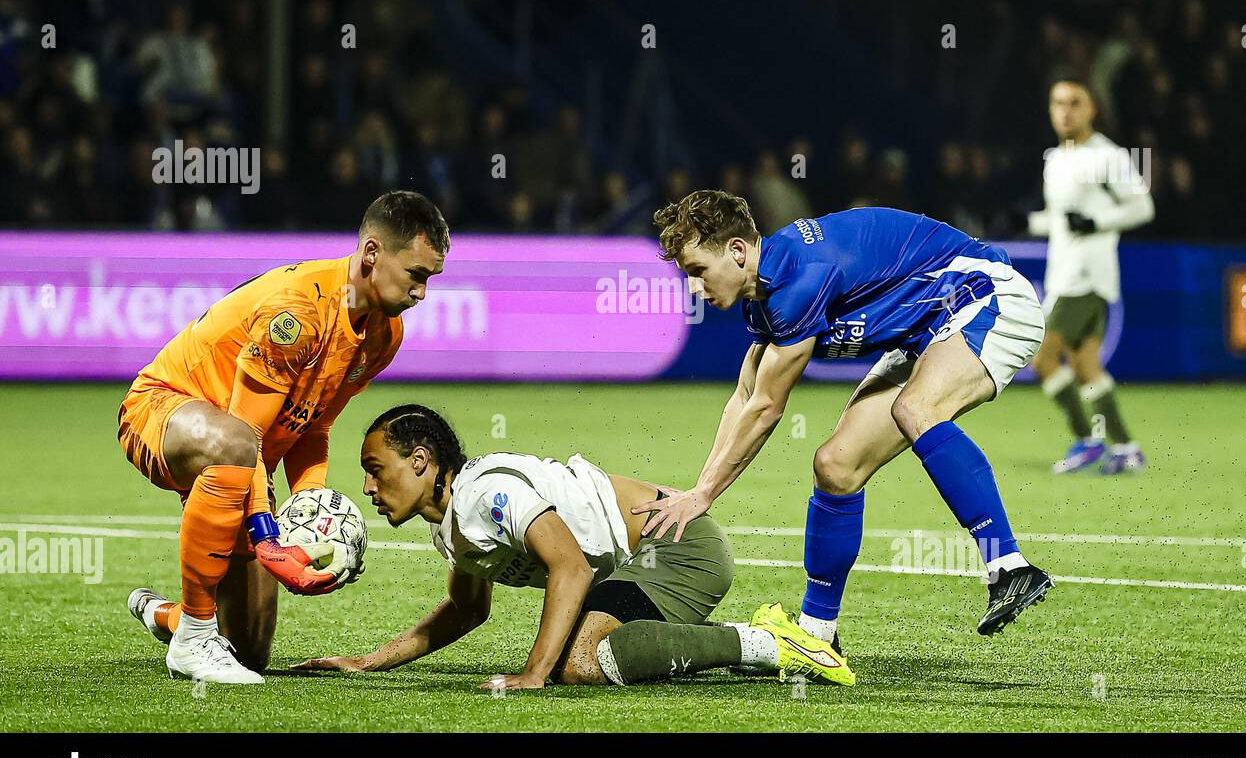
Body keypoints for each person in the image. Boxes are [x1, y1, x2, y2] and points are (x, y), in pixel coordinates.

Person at [643, 190, 1053, 653]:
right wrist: (698, 488)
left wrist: (704, 494)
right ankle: (817, 634)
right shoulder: (763, 294)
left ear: (737, 251)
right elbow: (744, 397)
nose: (694, 288)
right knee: (835, 465)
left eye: (698, 271)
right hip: (924, 331)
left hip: (987, 297)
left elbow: (766, 409)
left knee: (916, 408)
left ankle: (1009, 566)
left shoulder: (798, 279)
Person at [122, 192, 449, 683]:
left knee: (248, 651)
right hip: (164, 409)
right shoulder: (298, 313)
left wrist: (310, 512)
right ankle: (192, 640)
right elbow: (246, 434)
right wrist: (266, 533)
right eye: (416, 275)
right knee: (233, 445)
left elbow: (312, 426)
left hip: (238, 454)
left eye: (430, 278)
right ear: (372, 253)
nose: (422, 292)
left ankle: (171, 617)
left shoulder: (385, 335)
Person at [292, 405, 854, 689]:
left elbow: (572, 568)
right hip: (640, 564)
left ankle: (767, 644)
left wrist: (533, 674)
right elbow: (468, 610)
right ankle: (756, 640)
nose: (367, 487)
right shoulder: (450, 525)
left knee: (579, 662)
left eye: (375, 469)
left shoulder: (485, 495)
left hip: (678, 548)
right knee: (583, 656)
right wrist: (369, 662)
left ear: (420, 461)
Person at [1029, 79, 1154, 475]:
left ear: (1092, 109)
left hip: (1085, 276)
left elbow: (1143, 207)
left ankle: (1087, 440)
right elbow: (1061, 220)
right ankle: (1127, 449)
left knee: (1043, 359)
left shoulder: (1108, 155)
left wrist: (1098, 221)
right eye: (1058, 103)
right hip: (1064, 273)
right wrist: (1027, 222)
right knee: (1086, 367)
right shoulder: (1055, 158)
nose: (1065, 111)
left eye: (1074, 103)